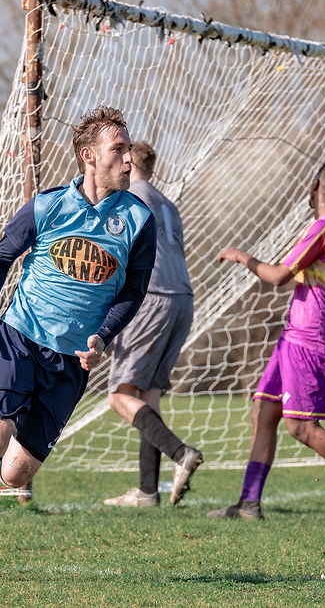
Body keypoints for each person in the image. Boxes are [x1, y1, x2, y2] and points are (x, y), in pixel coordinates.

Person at [0, 107, 190, 582]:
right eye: (119, 150)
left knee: (16, 474)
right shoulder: (47, 206)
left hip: (71, 362)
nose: (130, 159)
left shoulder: (138, 220)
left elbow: (132, 293)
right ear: (89, 157)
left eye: (129, 150)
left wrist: (103, 336)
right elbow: (1, 255)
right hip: (20, 338)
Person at [210, 161, 325, 524]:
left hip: (308, 339)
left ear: (315, 186)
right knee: (265, 411)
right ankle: (249, 503)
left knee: (301, 427)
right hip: (298, 337)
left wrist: (241, 257)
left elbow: (278, 276)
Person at [103, 142, 200, 508]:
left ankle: (181, 453)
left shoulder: (128, 199)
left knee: (119, 395)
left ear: (125, 162)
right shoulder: (168, 203)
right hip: (182, 300)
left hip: (153, 298)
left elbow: (114, 255)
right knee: (149, 396)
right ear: (154, 168)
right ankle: (147, 492)